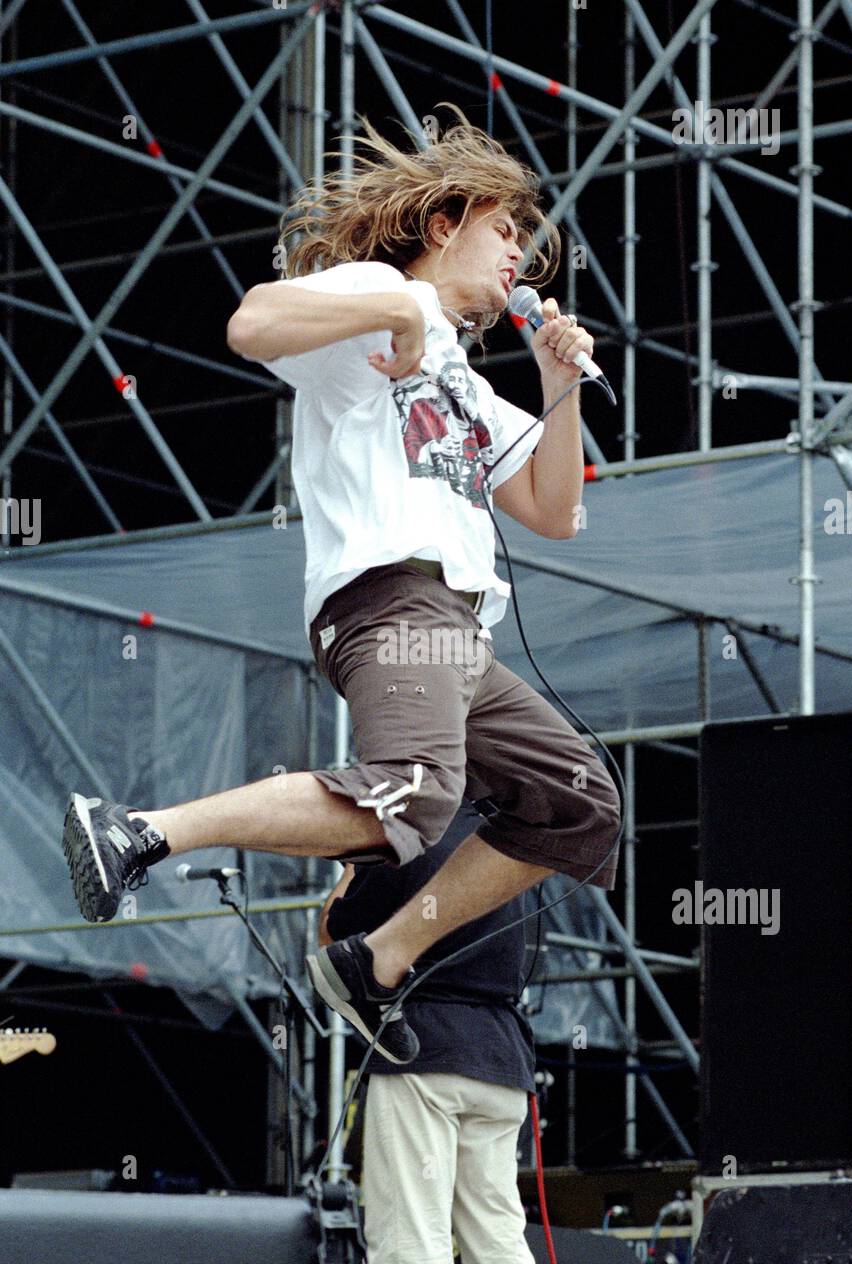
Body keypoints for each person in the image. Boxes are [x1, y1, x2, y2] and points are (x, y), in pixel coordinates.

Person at [62, 104, 621, 1071]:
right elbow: (251, 322)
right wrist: (400, 307)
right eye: (504, 228)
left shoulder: (464, 380)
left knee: (577, 801)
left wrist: (554, 380)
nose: (518, 253)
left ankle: (377, 962)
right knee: (410, 802)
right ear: (444, 224)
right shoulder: (376, 293)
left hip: (457, 634)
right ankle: (142, 832)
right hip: (391, 599)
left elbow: (555, 511)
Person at [321, 797, 540, 1264]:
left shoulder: (411, 830)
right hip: (500, 1056)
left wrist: (353, 865)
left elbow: (335, 946)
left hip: (422, 1048)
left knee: (410, 1232)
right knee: (498, 1235)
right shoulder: (502, 832)